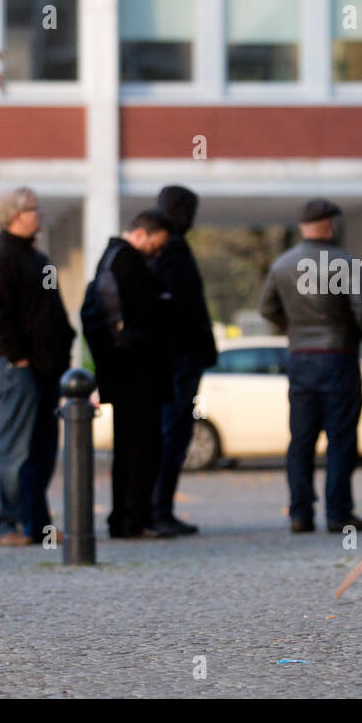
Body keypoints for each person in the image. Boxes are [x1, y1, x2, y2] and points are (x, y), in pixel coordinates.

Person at [260, 199, 362, 533]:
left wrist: (294, 329)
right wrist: (352, 335)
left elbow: (267, 309)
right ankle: (338, 513)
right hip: (338, 355)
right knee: (341, 437)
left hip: (300, 357)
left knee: (301, 438)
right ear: (330, 224)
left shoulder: (282, 265)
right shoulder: (344, 262)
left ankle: (300, 513)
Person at [0, 187, 76, 546]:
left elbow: (52, 311)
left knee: (41, 454)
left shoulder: (39, 259)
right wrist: (18, 357)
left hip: (47, 371)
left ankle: (37, 526)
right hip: (15, 369)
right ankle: (5, 526)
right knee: (13, 451)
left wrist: (64, 346)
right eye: (34, 209)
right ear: (15, 215)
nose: (41, 214)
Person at [85, 210, 174, 538]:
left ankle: (126, 518)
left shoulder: (110, 260)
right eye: (156, 244)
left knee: (129, 448)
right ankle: (132, 519)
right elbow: (148, 316)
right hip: (138, 373)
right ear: (141, 234)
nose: (157, 252)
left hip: (125, 373)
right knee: (141, 448)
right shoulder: (127, 262)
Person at [148, 186, 218, 536]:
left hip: (178, 358)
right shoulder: (171, 252)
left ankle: (160, 508)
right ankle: (159, 510)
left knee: (171, 434)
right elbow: (180, 309)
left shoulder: (164, 250)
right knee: (172, 434)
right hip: (180, 359)